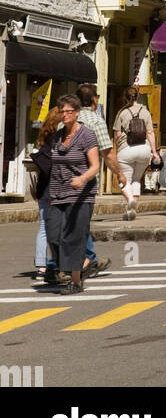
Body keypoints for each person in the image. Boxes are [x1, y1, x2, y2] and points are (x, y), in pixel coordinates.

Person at [35, 95, 101, 295]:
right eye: (62, 111)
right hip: (57, 193)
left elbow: (95, 165)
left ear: (77, 113)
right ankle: (79, 264)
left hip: (81, 194)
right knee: (54, 236)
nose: (64, 115)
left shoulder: (87, 135)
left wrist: (82, 179)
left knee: (73, 237)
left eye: (68, 112)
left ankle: (76, 281)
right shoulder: (56, 137)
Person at [75, 83, 129, 279]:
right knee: (81, 221)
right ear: (94, 100)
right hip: (86, 178)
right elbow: (108, 153)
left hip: (64, 179)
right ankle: (84, 260)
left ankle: (86, 258)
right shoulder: (96, 121)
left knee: (72, 221)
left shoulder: (67, 119)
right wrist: (119, 174)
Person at [113, 87, 158, 220]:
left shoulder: (121, 113)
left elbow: (117, 134)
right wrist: (154, 152)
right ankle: (131, 211)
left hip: (126, 150)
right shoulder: (145, 112)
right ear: (137, 96)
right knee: (136, 180)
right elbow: (150, 133)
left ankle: (130, 200)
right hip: (144, 149)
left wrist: (116, 149)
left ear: (125, 97)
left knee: (124, 180)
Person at [32, 107, 62, 281]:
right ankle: (57, 264)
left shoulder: (43, 139)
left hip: (43, 187)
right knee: (60, 225)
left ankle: (41, 266)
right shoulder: (58, 139)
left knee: (43, 227)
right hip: (55, 186)